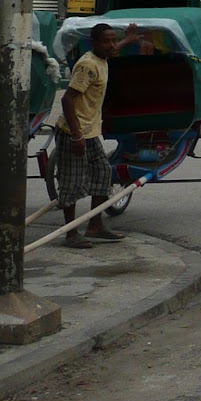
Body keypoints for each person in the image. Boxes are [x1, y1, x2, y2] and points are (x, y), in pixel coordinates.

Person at [52, 21, 144, 248]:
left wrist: (128, 40)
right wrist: (76, 136)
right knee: (72, 182)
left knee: (103, 174)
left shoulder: (102, 58)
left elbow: (112, 49)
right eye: (107, 41)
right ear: (93, 43)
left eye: (114, 40)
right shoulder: (87, 66)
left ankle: (95, 226)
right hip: (73, 132)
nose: (112, 45)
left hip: (90, 132)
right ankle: (71, 233)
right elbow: (67, 99)